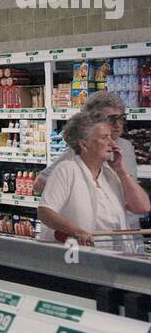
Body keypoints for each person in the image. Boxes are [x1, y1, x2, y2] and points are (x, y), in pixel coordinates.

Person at [33, 90, 145, 251]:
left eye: (121, 118)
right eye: (111, 119)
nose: (118, 124)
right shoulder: (79, 153)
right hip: (92, 239)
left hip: (128, 231)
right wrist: (76, 199)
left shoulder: (126, 147)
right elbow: (40, 184)